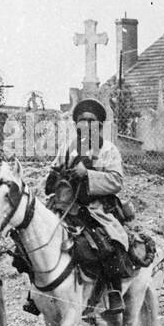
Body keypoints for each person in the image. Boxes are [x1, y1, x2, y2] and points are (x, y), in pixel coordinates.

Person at [44, 98, 132, 312]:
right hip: (67, 207)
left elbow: (116, 181)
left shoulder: (108, 150)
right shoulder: (68, 148)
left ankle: (113, 291)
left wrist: (89, 175)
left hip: (96, 209)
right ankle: (38, 292)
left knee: (108, 243)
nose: (86, 125)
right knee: (42, 235)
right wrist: (58, 175)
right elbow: (54, 172)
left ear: (99, 126)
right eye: (81, 121)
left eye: (91, 121)